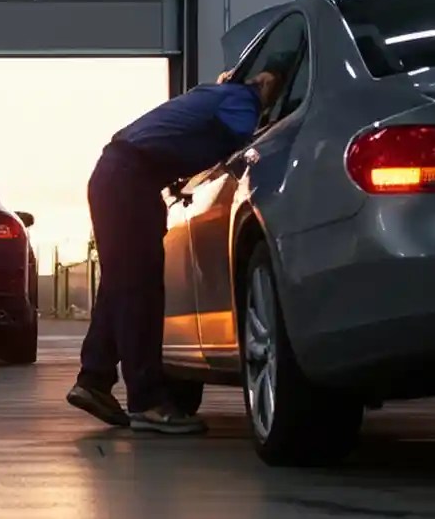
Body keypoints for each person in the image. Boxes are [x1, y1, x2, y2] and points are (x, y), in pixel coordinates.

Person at [67, 64, 284, 433]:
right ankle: (148, 402)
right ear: (264, 81)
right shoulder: (241, 100)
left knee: (122, 284)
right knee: (140, 290)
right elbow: (250, 150)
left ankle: (94, 379)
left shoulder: (213, 95)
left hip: (117, 175)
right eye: (273, 87)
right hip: (130, 179)